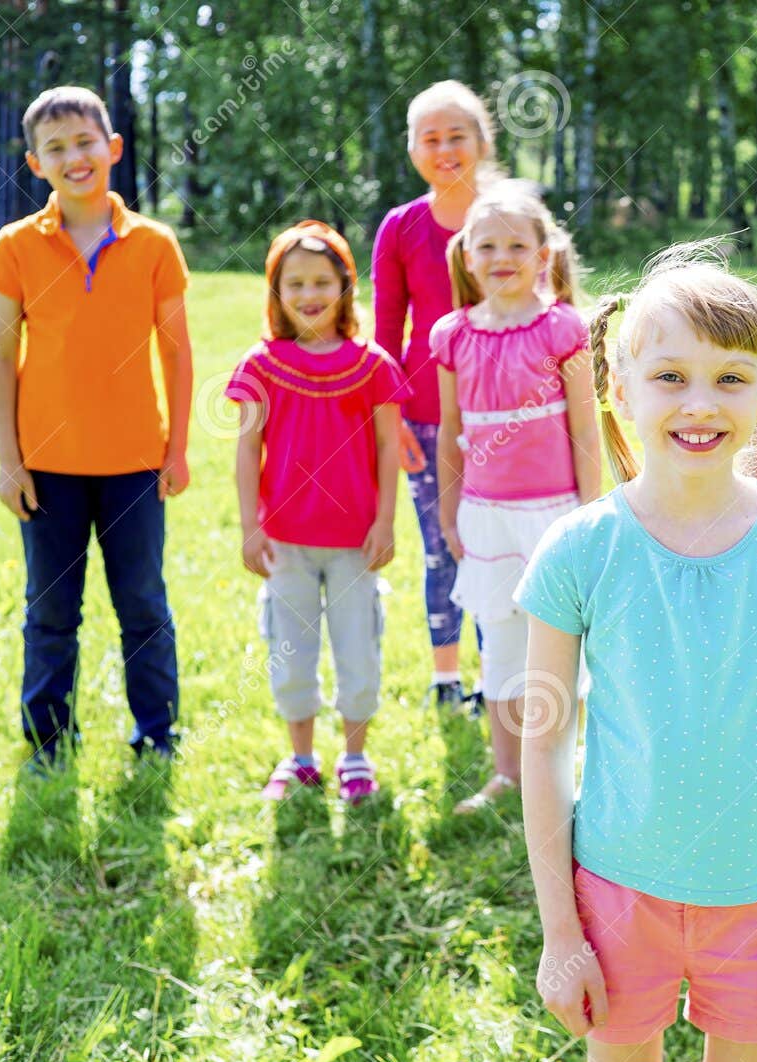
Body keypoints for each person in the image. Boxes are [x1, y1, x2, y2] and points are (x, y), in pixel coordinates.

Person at [517, 252, 757, 1062]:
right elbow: (544, 743)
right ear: (620, 387)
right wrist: (560, 930)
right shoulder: (578, 549)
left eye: (730, 378)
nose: (700, 404)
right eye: (670, 376)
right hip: (614, 888)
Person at [0, 85, 192, 774]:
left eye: (84, 142)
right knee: (49, 612)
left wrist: (177, 448)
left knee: (143, 605)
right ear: (35, 163)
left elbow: (177, 352)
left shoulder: (155, 243)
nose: (74, 157)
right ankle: (49, 742)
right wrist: (9, 460)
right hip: (47, 467)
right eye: (56, 148)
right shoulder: (15, 246)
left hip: (136, 463)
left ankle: (157, 733)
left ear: (113, 147)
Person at [432, 181, 600, 813]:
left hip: (555, 516)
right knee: (500, 645)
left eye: (516, 245)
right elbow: (450, 432)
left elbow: (584, 427)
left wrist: (589, 516)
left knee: (558, 648)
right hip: (486, 518)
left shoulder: (563, 329)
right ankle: (508, 773)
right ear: (466, 255)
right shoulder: (452, 335)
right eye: (487, 246)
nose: (502, 257)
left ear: (543, 255)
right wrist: (450, 512)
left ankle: (563, 770)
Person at [228, 222, 405, 804]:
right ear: (276, 291)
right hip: (286, 541)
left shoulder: (372, 365)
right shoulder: (262, 365)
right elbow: (247, 450)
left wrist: (385, 522)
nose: (309, 294)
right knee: (290, 651)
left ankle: (355, 757)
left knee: (358, 650)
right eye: (296, 283)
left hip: (356, 541)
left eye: (322, 281)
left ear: (345, 286)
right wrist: (250, 526)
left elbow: (388, 446)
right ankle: (301, 757)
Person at [372, 80, 497, 712]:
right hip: (424, 418)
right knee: (442, 547)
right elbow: (385, 334)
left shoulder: (508, 219)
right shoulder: (401, 227)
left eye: (457, 136)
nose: (445, 150)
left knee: (498, 545)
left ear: (482, 141)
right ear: (413, 149)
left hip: (506, 415)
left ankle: (496, 677)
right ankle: (447, 680)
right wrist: (391, 423)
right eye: (431, 138)